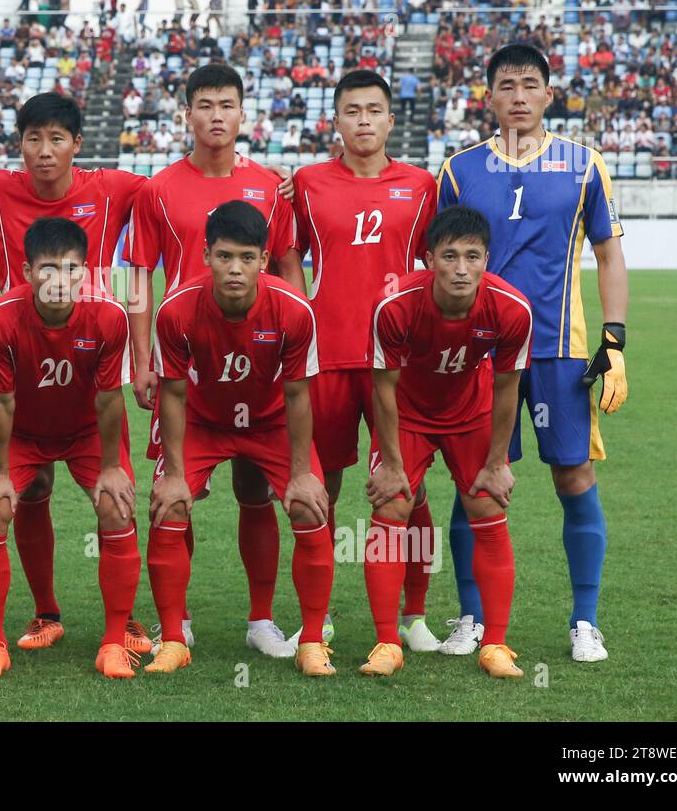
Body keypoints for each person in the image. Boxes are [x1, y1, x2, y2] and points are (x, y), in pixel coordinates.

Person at [437, 43, 627, 662]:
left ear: (549, 94)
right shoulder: (460, 171)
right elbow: (436, 260)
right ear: (487, 97)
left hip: (558, 349)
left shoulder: (583, 164)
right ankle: (471, 618)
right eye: (506, 85)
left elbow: (608, 253)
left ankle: (585, 620)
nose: (518, 96)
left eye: (529, 84)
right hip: (479, 353)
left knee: (573, 474)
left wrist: (615, 338)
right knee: (476, 484)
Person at [126, 62, 305, 657]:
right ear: (187, 115)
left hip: (259, 367)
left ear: (243, 113)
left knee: (258, 492)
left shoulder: (269, 187)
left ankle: (260, 621)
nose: (216, 116)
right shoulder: (158, 189)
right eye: (204, 105)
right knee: (175, 493)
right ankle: (176, 623)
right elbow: (139, 277)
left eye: (227, 104)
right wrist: (141, 356)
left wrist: (297, 345)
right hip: (186, 367)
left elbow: (286, 266)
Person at [0, 92, 153, 653]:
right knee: (24, 494)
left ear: (76, 143)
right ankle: (44, 613)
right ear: (18, 142)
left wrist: (266, 180)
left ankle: (122, 624)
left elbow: (178, 196)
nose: (44, 151)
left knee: (114, 497)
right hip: (19, 370)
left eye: (57, 139)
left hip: (87, 365)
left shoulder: (113, 188)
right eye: (33, 138)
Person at [276, 69, 437, 650]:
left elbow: (434, 262)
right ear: (335, 121)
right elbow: (289, 257)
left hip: (398, 360)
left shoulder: (421, 185)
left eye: (374, 110)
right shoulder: (307, 183)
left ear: (392, 120)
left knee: (407, 488)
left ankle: (411, 617)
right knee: (322, 487)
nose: (363, 120)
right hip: (331, 354)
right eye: (352, 111)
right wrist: (305, 310)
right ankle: (316, 620)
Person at [145, 201, 333, 676]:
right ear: (206, 255)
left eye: (247, 258)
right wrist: (171, 474)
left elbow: (297, 396)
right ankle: (172, 637)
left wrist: (302, 474)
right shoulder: (176, 309)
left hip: (269, 421)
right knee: (167, 504)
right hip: (203, 420)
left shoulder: (293, 309)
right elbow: (171, 392)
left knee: (310, 507)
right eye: (225, 256)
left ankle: (308, 640)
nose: (235, 269)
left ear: (264, 261)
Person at [0, 218, 140, 680]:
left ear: (85, 272)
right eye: (48, 269)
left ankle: (114, 641)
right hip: (23, 432)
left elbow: (108, 399)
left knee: (116, 506)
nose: (59, 281)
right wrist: (0, 472)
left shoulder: (109, 315)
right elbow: (1, 399)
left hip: (86, 432)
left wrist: (109, 467)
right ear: (27, 271)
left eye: (70, 269)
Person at [366, 204, 532, 679]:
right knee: (393, 504)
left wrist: (497, 461)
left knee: (486, 504)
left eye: (473, 257)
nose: (461, 269)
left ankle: (496, 644)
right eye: (450, 256)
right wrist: (392, 463)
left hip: (470, 413)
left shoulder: (511, 308)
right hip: (409, 414)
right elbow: (382, 387)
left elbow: (507, 389)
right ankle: (385, 643)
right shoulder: (394, 305)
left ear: (487, 259)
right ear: (429, 258)